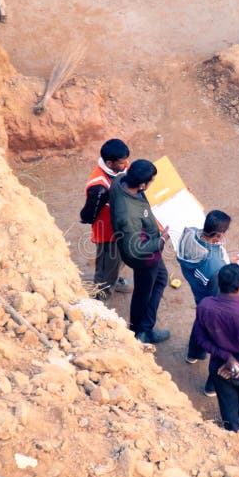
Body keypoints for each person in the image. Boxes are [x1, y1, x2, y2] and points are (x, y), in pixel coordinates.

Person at [177, 210, 239, 396]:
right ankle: (212, 387)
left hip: (199, 295)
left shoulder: (190, 234)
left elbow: (211, 261)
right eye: (224, 233)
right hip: (212, 304)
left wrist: (225, 260)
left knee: (200, 326)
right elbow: (222, 302)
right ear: (218, 235)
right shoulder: (215, 268)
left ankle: (193, 354)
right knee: (220, 342)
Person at [193, 264, 239, 433]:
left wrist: (226, 357)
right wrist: (236, 363)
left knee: (227, 404)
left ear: (219, 284)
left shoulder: (205, 306)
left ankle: (233, 427)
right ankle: (235, 432)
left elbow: (200, 338)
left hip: (219, 370)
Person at [109, 159, 171, 344]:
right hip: (145, 258)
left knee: (160, 280)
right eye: (151, 181)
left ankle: (144, 327)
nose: (152, 184)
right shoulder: (128, 215)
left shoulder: (119, 180)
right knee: (143, 293)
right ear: (142, 185)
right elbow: (136, 249)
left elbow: (141, 208)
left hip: (149, 248)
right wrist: (161, 240)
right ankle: (140, 332)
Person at [79, 138, 133, 300]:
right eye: (122, 163)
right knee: (106, 266)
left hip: (123, 229)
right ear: (109, 163)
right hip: (108, 234)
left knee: (120, 258)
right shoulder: (99, 187)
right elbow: (88, 215)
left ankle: (113, 280)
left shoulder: (121, 169)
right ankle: (99, 298)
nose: (126, 165)